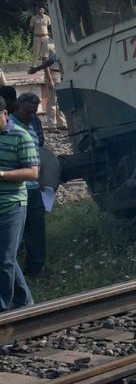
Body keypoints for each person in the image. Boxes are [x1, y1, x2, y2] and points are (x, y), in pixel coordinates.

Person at [0, 106, 37, 311]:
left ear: (5, 113)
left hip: (12, 204)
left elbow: (32, 172)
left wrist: (3, 175)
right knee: (5, 257)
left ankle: (4, 307)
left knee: (4, 258)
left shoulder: (20, 135)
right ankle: (24, 300)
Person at [9, 94, 45, 277]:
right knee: (16, 234)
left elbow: (40, 150)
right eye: (28, 112)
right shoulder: (9, 127)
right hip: (17, 188)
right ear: (17, 107)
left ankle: (35, 269)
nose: (31, 115)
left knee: (37, 229)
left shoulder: (34, 123)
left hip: (33, 187)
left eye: (34, 112)